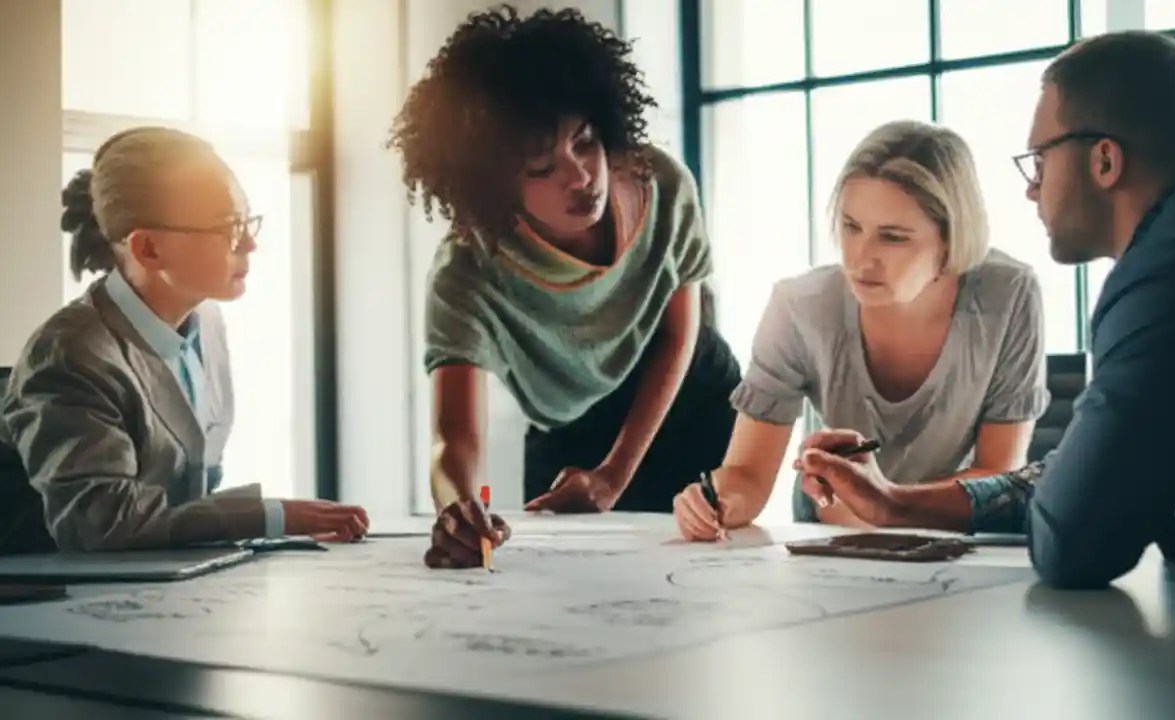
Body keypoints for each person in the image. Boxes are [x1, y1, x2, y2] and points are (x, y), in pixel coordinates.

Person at [794, 31, 1175, 588]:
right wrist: (896, 503)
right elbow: (1088, 479)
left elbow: (1074, 543)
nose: (1032, 189)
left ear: (1104, 160)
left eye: (1040, 159)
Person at [388, 6, 740, 569]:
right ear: (495, 182)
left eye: (585, 141)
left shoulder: (662, 184)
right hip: (570, 436)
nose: (579, 176)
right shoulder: (468, 271)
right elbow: (454, 435)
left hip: (692, 399)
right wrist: (456, 508)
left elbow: (680, 335)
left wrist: (614, 475)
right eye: (540, 168)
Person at [674, 120, 1050, 542]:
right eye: (851, 227)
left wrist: (887, 503)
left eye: (892, 237)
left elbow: (997, 477)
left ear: (952, 238)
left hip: (954, 534)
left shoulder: (1009, 295)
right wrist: (715, 502)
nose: (860, 259)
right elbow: (747, 475)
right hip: (835, 524)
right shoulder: (800, 306)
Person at [0, 126, 369, 553]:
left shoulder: (206, 321)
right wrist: (272, 517)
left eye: (247, 220)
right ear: (148, 249)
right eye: (230, 227)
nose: (250, 243)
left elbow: (186, 498)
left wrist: (276, 529)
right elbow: (100, 524)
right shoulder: (70, 354)